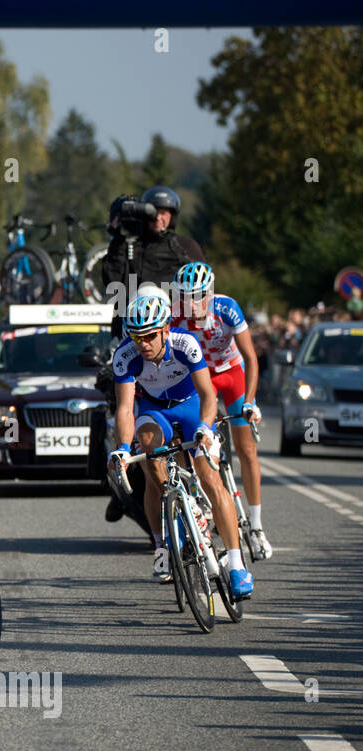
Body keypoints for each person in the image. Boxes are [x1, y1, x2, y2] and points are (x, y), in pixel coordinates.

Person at [108, 293, 253, 596]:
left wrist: (204, 427)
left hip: (191, 405)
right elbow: (124, 409)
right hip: (154, 408)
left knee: (209, 476)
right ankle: (163, 545)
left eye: (149, 336)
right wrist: (122, 447)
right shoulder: (125, 355)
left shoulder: (185, 343)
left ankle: (237, 566)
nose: (143, 344)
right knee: (149, 456)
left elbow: (208, 394)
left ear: (164, 330)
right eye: (136, 337)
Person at [171, 262, 271, 558]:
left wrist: (250, 401)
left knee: (246, 449)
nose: (193, 303)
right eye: (186, 296)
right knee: (200, 445)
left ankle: (256, 524)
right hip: (203, 380)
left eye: (199, 295)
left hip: (231, 373)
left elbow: (251, 359)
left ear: (210, 292)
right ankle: (204, 505)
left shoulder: (227, 308)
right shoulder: (176, 317)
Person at [100, 186, 205, 337]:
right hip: (132, 330)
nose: (157, 218)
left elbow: (203, 286)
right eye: (153, 212)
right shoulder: (129, 244)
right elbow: (112, 282)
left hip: (173, 330)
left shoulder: (184, 246)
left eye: (163, 213)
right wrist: (119, 237)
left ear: (172, 215)